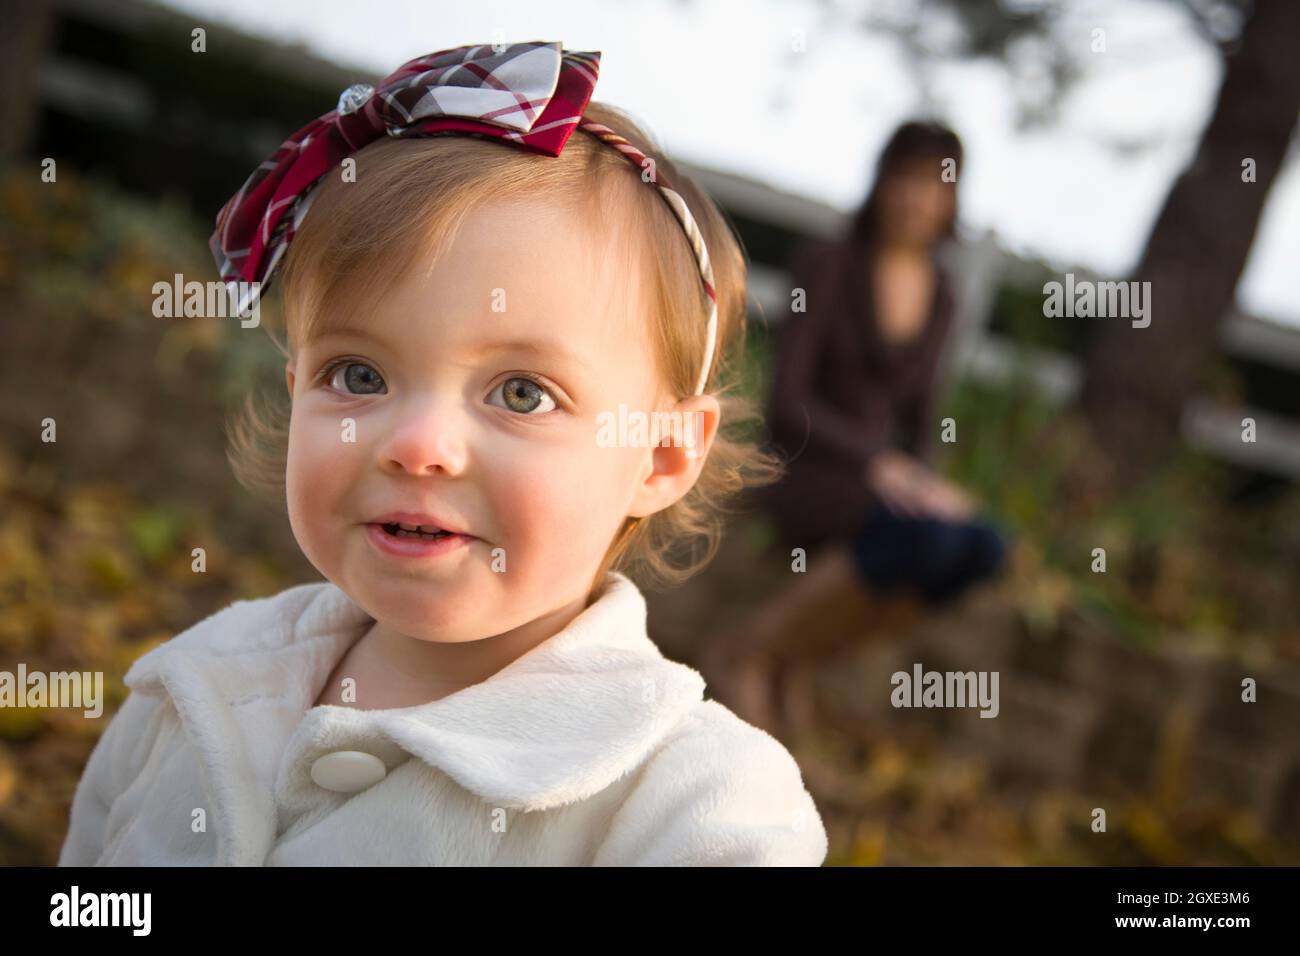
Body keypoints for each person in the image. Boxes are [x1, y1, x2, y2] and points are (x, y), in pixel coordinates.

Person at [57, 42, 826, 866]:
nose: (417, 445)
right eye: (357, 375)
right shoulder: (193, 686)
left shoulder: (691, 808)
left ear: (663, 455)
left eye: (522, 393)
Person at [705, 121, 1008, 734]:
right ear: (882, 181)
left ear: (951, 198)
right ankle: (745, 651)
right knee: (916, 538)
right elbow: (787, 401)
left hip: (880, 484)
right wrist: (877, 464)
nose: (915, 197)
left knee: (979, 547)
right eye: (905, 177)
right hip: (805, 463)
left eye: (933, 183)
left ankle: (796, 658)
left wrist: (926, 485)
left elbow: (919, 422)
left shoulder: (944, 296)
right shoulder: (829, 263)